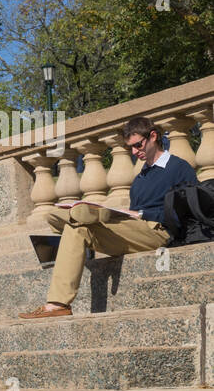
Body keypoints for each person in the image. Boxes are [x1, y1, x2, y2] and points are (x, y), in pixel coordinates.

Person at [19, 116, 196, 319]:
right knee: (78, 228)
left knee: (82, 219)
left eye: (138, 145)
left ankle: (83, 214)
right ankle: (58, 305)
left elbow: (188, 210)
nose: (134, 151)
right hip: (135, 230)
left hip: (159, 231)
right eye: (130, 147)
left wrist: (141, 214)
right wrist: (128, 216)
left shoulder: (178, 168)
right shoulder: (140, 178)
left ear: (153, 136)